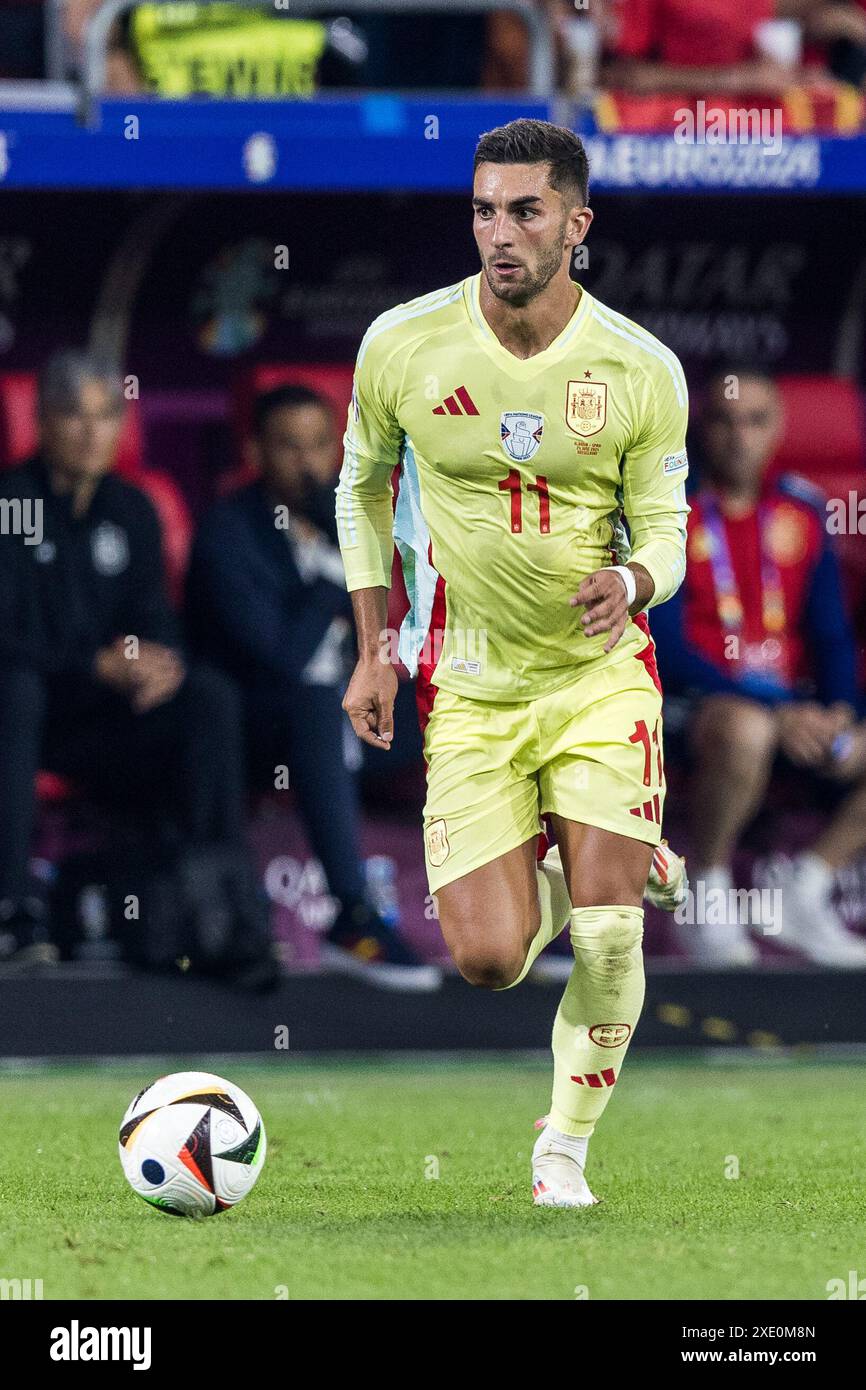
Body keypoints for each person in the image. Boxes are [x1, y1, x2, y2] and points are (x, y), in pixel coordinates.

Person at [337, 118, 690, 1209]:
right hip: (474, 683)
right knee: (487, 960)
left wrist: (631, 582)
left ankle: (561, 1152)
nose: (500, 232)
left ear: (575, 225)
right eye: (484, 209)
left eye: (525, 211)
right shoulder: (402, 343)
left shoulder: (640, 368)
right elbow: (359, 491)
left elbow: (666, 530)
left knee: (609, 933)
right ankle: (568, 873)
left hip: (596, 676)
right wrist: (374, 650)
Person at [0, 349, 269, 984]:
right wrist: (93, 662)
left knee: (208, 697)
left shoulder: (134, 508)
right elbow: (10, 636)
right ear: (42, 420)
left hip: (107, 723)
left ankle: (219, 905)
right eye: (75, 416)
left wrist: (159, 662)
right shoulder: (11, 503)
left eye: (106, 416)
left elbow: (155, 619)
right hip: (29, 718)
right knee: (16, 689)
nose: (92, 432)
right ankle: (13, 909)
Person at [187, 384, 440, 992]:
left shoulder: (357, 520)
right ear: (256, 451)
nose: (308, 464)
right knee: (316, 704)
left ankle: (519, 911)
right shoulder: (229, 530)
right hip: (257, 730)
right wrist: (334, 571)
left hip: (354, 723)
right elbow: (282, 657)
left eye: (320, 446)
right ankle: (353, 918)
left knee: (471, 705)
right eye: (288, 447)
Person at [651, 366, 866, 967]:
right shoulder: (668, 508)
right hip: (690, 702)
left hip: (788, 703)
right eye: (724, 420)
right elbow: (664, 649)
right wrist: (781, 711)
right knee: (749, 729)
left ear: (777, 430)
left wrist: (838, 709)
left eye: (755, 421)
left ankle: (808, 889)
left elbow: (831, 632)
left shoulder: (802, 509)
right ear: (700, 429)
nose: (739, 436)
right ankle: (707, 894)